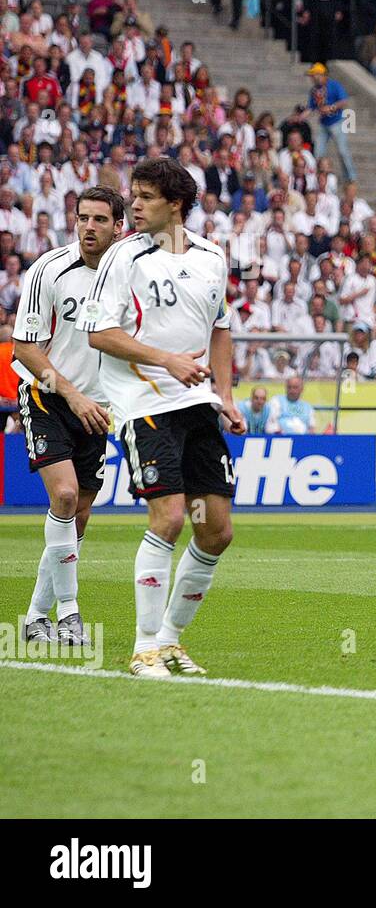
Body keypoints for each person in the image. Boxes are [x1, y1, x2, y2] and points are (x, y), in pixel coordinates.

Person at [78, 158, 247, 678]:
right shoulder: (123, 256)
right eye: (133, 194)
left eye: (145, 196)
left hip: (198, 407)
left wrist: (227, 394)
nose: (134, 204)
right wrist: (167, 359)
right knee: (170, 518)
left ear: (175, 204)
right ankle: (143, 648)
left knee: (216, 531)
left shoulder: (212, 258)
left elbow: (220, 328)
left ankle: (171, 641)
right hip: (144, 405)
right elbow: (99, 333)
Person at [11, 187, 123, 645]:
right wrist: (73, 395)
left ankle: (38, 616)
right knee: (63, 496)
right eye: (83, 218)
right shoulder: (48, 269)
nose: (89, 227)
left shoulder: (128, 276)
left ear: (119, 226)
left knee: (76, 517)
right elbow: (24, 347)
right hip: (48, 396)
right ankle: (71, 612)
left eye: (100, 220)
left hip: (97, 409)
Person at [307, 63, 357, 184]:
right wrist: (301, 116)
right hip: (323, 123)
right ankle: (318, 176)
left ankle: (351, 177)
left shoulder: (334, 85)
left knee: (342, 151)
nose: (313, 78)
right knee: (318, 151)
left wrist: (331, 107)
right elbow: (311, 107)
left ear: (321, 74)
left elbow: (344, 101)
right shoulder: (314, 90)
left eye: (315, 75)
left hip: (337, 122)